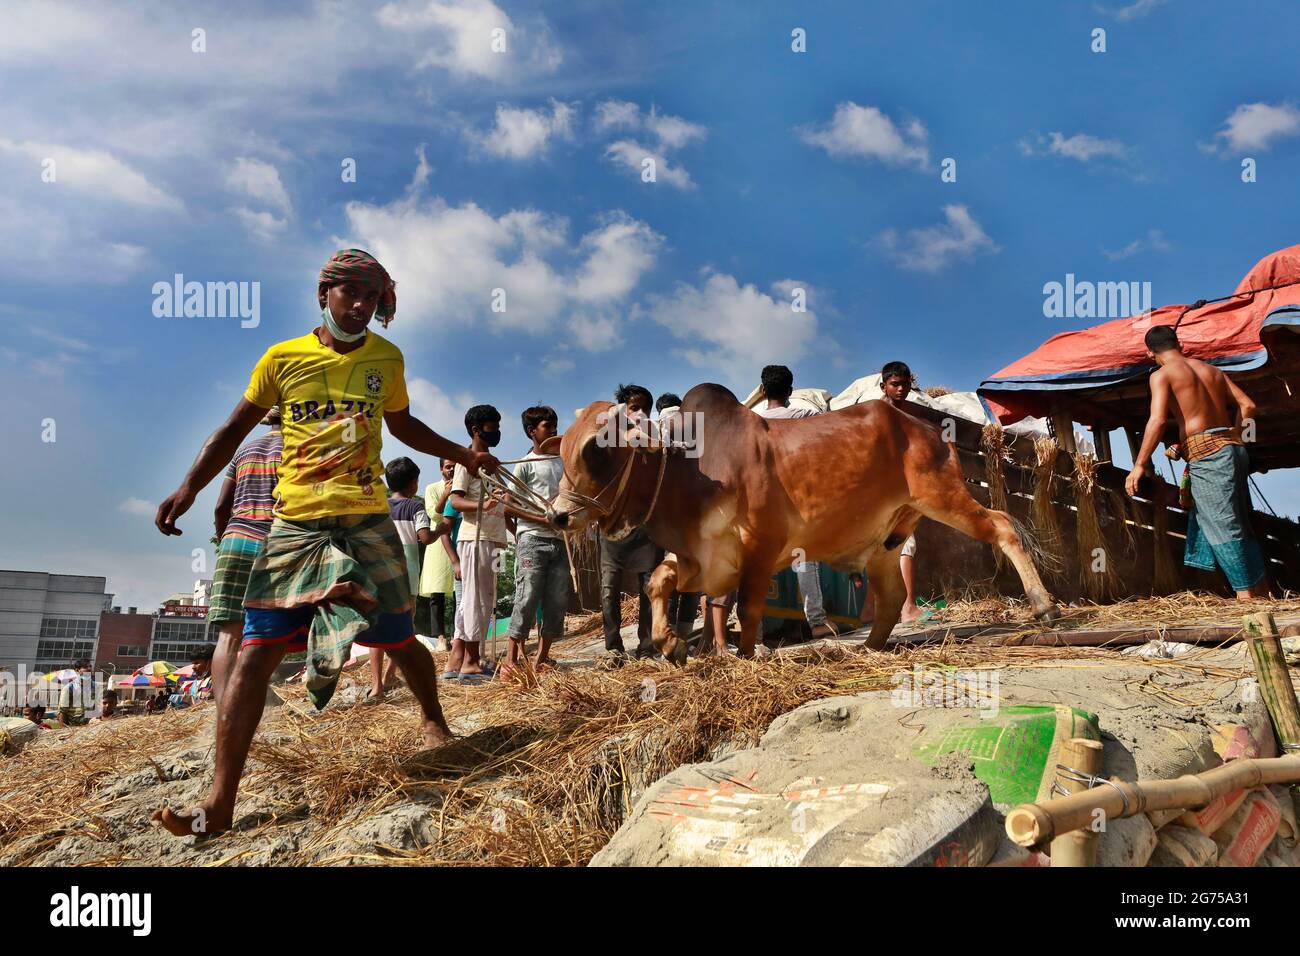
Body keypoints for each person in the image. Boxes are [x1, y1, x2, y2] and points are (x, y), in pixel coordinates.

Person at [151, 248, 498, 838]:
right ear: (324, 295)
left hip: (366, 519)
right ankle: (221, 801)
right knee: (256, 651)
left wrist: (463, 453)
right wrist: (188, 486)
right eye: (350, 295)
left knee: (399, 636)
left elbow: (401, 425)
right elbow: (234, 428)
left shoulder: (387, 359)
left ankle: (434, 719)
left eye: (371, 298)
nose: (360, 307)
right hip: (296, 523)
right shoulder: (282, 359)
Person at [1125, 324, 1268, 599]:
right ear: (1178, 344)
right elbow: (1248, 406)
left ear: (1150, 353)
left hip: (1210, 456)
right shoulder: (1211, 370)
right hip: (1233, 451)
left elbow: (1157, 420)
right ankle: (1261, 593)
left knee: (1223, 525)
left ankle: (1247, 600)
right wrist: (1237, 435)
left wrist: (1140, 464)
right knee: (1239, 522)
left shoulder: (1161, 374)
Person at [752, 365, 838, 640]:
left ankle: (753, 629)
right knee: (805, 559)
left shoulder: (752, 420)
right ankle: (816, 622)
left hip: (763, 500)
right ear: (790, 390)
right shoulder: (804, 415)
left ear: (762, 390)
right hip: (797, 499)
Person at [209, 409, 284, 704]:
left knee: (229, 636)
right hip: (275, 543)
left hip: (234, 541)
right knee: (270, 633)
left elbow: (219, 507)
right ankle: (257, 696)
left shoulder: (244, 449)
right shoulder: (296, 449)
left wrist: (223, 538)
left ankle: (224, 712)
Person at [501, 405, 569, 673]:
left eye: (554, 423)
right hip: (532, 538)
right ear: (532, 432)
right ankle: (511, 661)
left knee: (557, 598)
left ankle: (542, 658)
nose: (553, 428)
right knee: (527, 596)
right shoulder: (525, 464)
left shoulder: (562, 461)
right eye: (547, 425)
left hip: (560, 540)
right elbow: (507, 507)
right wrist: (526, 531)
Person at [446, 405, 510, 679]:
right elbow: (456, 500)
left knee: (487, 599)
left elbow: (503, 504)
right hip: (476, 538)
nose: (496, 431)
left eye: (497, 425)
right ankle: (470, 664)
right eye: (491, 426)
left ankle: (460, 662)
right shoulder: (466, 461)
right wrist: (484, 505)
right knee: (475, 601)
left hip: (494, 539)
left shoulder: (492, 464)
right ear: (476, 430)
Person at [861, 361, 926, 625]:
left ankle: (872, 610)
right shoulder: (879, 414)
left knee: (891, 545)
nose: (900, 389)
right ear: (884, 386)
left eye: (905, 384)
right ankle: (906, 607)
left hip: (901, 488)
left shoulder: (908, 415)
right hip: (882, 490)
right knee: (893, 544)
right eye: (895, 384)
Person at [600, 384, 658, 661]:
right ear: (623, 410)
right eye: (635, 407)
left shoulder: (657, 440)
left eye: (646, 408)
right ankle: (613, 647)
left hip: (645, 527)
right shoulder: (608, 440)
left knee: (649, 587)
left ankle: (647, 645)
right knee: (609, 587)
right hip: (612, 528)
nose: (641, 413)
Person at [371, 456, 434, 699]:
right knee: (405, 628)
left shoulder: (380, 507)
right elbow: (425, 538)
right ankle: (390, 673)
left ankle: (377, 686)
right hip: (407, 575)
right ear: (413, 483)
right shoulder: (415, 507)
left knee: (376, 629)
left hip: (381, 574)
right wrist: (439, 530)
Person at [419, 458, 460, 651]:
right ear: (441, 469)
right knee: (438, 594)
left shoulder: (464, 485)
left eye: (454, 466)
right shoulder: (431, 488)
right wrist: (445, 494)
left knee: (458, 591)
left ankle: (457, 634)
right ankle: (441, 637)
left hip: (459, 539)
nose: (451, 470)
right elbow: (434, 515)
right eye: (447, 467)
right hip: (438, 541)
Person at [57, 661, 94, 726]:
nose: (89, 669)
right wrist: (65, 732)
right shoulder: (69, 688)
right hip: (74, 729)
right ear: (77, 670)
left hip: (92, 729)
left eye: (90, 666)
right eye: (85, 667)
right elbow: (62, 712)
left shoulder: (95, 687)